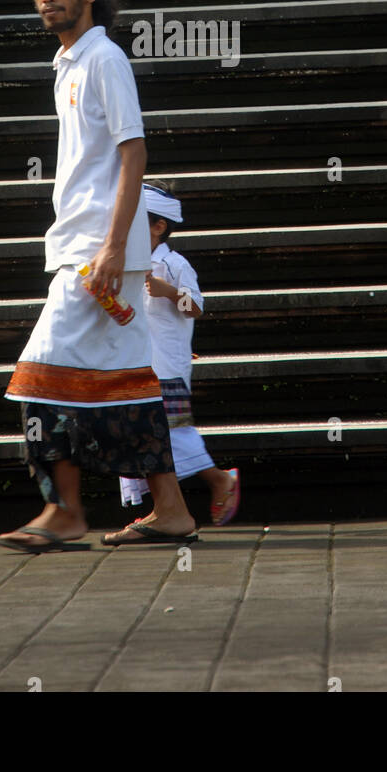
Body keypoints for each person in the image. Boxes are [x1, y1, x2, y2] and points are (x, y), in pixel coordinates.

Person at [0, 0, 198, 552]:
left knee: (36, 378)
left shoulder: (104, 59)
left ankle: (65, 513)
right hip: (87, 247)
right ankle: (170, 509)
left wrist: (113, 249)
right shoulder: (69, 62)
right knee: (128, 382)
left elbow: (133, 151)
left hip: (99, 254)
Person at [119, 183, 240, 525]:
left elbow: (195, 308)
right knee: (144, 432)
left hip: (166, 365)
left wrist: (169, 292)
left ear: (159, 227)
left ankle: (219, 479)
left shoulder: (173, 264)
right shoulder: (131, 264)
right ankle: (163, 507)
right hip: (136, 362)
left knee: (170, 431)